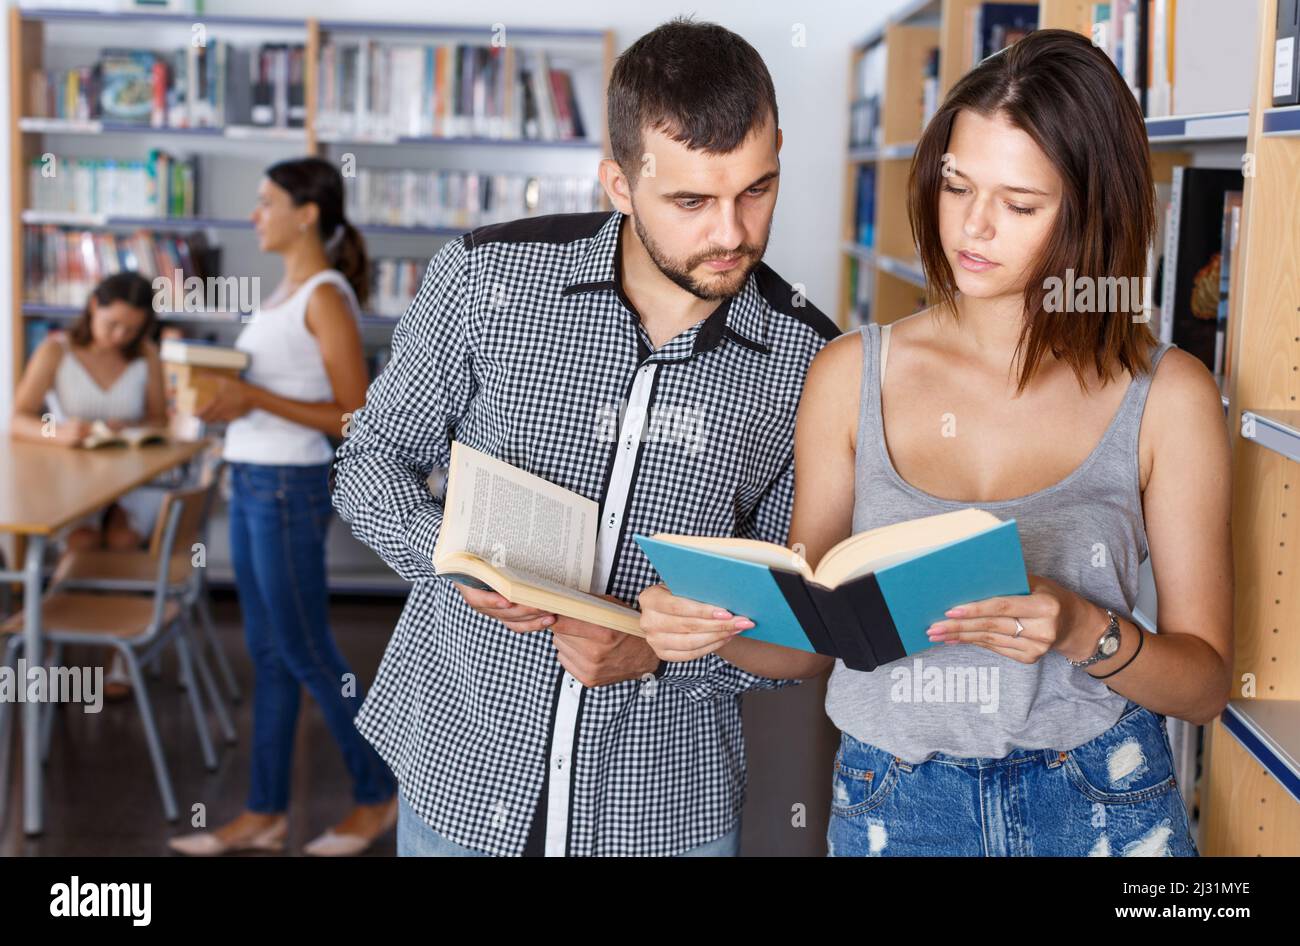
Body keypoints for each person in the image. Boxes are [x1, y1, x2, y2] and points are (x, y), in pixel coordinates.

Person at [641, 29, 1233, 857]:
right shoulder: (851, 373)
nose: (974, 228)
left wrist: (1080, 630)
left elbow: (1205, 685)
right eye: (957, 187)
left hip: (1103, 797)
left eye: (1021, 205)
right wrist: (692, 631)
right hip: (895, 802)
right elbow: (815, 642)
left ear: (1093, 210)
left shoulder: (1167, 396)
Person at [331, 18, 839, 856]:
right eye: (690, 201)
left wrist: (659, 653)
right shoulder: (485, 277)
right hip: (463, 771)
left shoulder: (813, 362)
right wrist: (451, 558)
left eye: (757, 189)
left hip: (664, 808)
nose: (732, 233)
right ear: (617, 181)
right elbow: (369, 458)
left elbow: (801, 618)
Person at [167, 157, 397, 856]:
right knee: (269, 654)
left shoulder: (325, 295)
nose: (253, 214)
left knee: (304, 648)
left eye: (266, 202)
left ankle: (377, 792)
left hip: (287, 492)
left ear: (306, 212)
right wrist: (221, 403)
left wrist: (253, 399)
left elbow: (357, 418)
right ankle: (264, 812)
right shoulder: (279, 295)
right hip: (251, 481)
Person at [12, 271, 168, 700]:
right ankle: (49, 652)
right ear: (93, 307)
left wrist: (129, 425)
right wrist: (57, 432)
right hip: (74, 479)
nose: (121, 336)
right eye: (112, 324)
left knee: (120, 539)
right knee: (82, 541)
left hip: (134, 478)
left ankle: (121, 653)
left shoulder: (146, 354)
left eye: (132, 329)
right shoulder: (55, 350)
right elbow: (18, 418)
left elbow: (160, 420)